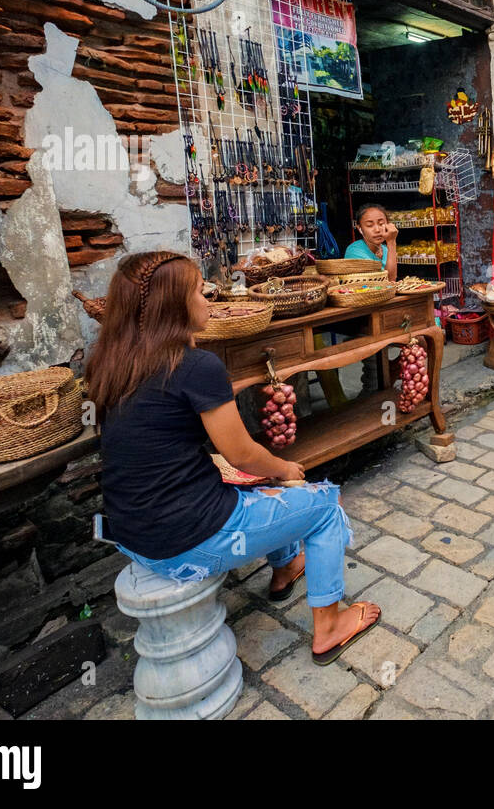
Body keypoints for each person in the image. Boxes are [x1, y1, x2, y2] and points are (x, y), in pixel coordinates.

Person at [85, 251, 382, 666]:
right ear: (174, 307)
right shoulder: (195, 366)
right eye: (198, 293)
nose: (208, 301)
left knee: (251, 479)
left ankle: (285, 569)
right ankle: (330, 626)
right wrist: (286, 468)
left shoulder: (108, 363)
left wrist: (252, 470)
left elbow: (164, 444)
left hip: (134, 537)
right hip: (187, 541)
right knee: (324, 504)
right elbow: (241, 451)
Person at [344, 203, 398, 280]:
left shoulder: (386, 249)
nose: (377, 230)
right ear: (360, 228)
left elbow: (392, 282)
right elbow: (389, 280)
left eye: (381, 224)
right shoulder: (354, 250)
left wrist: (391, 243)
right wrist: (391, 242)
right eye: (369, 225)